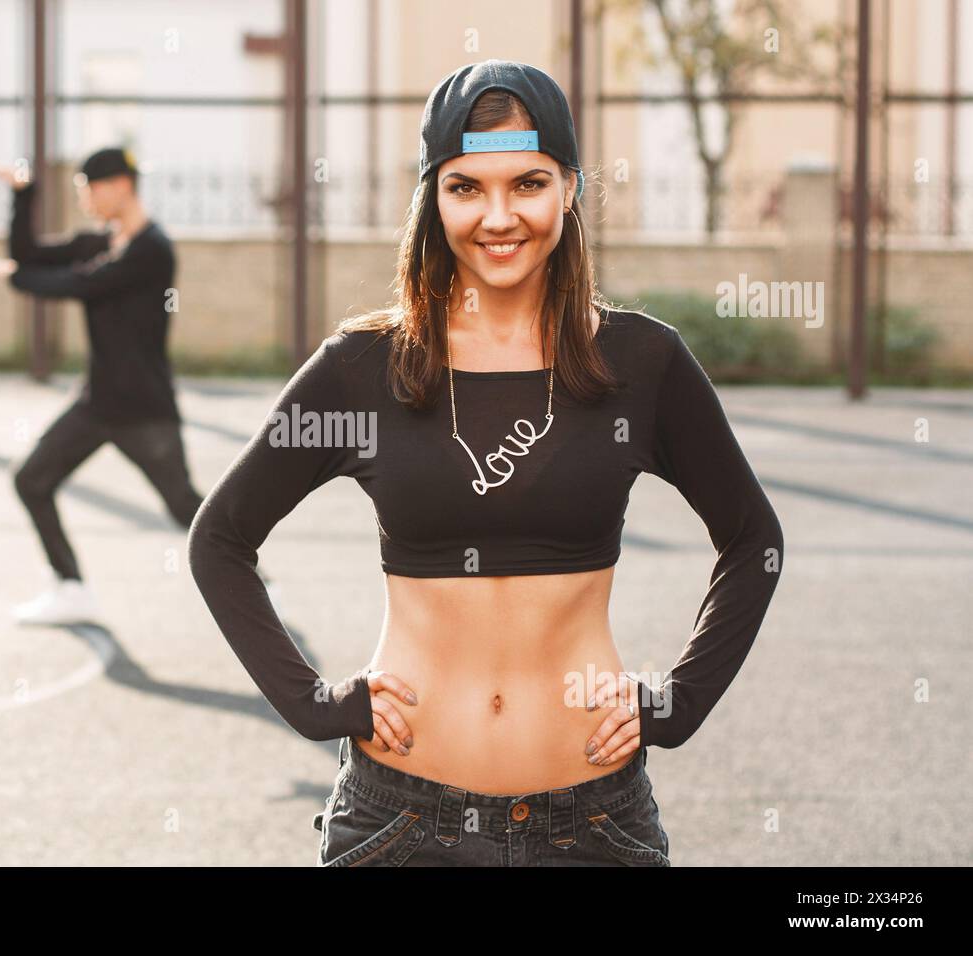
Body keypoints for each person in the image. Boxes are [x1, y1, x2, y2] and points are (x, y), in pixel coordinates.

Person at [186, 60, 784, 866]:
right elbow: (220, 539)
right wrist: (314, 703)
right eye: (466, 187)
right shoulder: (365, 367)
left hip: (593, 823)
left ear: (569, 187)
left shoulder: (642, 362)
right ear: (433, 197)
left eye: (528, 184)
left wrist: (676, 704)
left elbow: (753, 542)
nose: (499, 217)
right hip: (401, 821)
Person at [0, 147, 205, 625]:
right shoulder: (102, 241)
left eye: (87, 190)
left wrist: (18, 279)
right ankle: (71, 588)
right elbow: (31, 254)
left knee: (187, 509)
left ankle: (261, 587)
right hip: (97, 403)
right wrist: (22, 194)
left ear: (120, 185)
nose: (84, 200)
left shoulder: (152, 249)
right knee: (31, 479)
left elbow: (79, 284)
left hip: (143, 408)